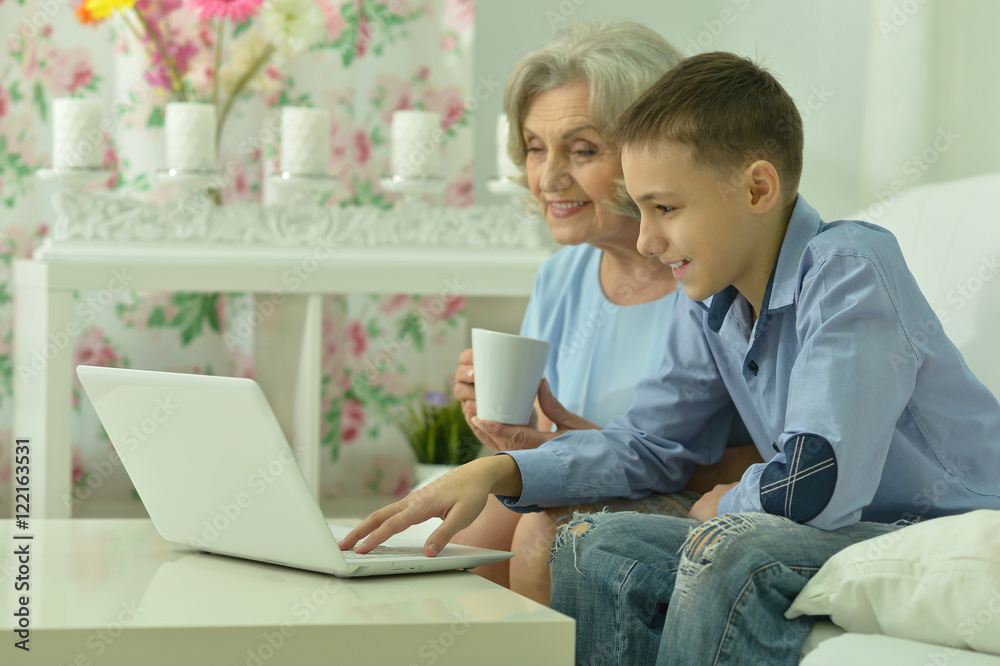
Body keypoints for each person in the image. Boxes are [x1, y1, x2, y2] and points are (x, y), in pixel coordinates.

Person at [340, 50, 1000, 664]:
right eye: (641, 208)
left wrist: (731, 502)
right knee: (595, 544)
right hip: (835, 527)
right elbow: (650, 445)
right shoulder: (710, 302)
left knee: (729, 547)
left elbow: (816, 481)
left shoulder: (848, 266)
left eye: (665, 208)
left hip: (933, 528)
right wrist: (504, 471)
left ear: (757, 189)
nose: (650, 240)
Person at [447, 19, 761, 604]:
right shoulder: (561, 275)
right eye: (536, 148)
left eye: (583, 149)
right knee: (458, 539)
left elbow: (779, 459)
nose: (547, 177)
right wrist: (509, 433)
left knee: (542, 533)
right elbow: (547, 445)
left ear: (655, 152)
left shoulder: (715, 276)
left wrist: (604, 452)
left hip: (693, 500)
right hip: (593, 484)